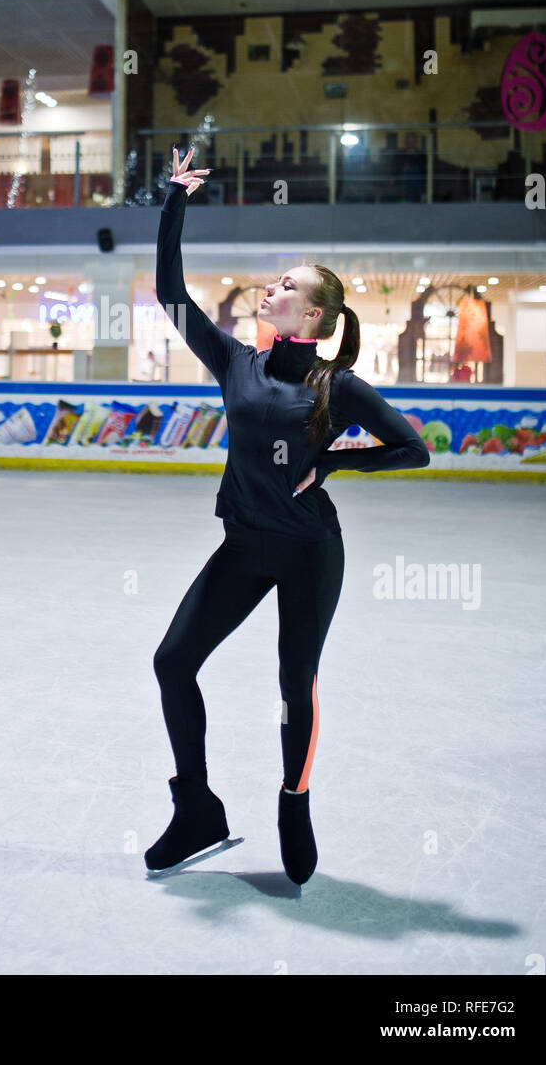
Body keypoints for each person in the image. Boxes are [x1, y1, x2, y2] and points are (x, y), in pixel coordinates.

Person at [146, 145, 430, 883]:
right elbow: (169, 291)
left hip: (308, 550)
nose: (271, 287)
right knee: (173, 662)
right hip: (244, 545)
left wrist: (335, 462)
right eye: (276, 279)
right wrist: (175, 198)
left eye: (287, 284)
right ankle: (195, 807)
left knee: (292, 681)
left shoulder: (339, 386)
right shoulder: (235, 362)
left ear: (311, 315)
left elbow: (414, 451)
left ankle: (293, 804)